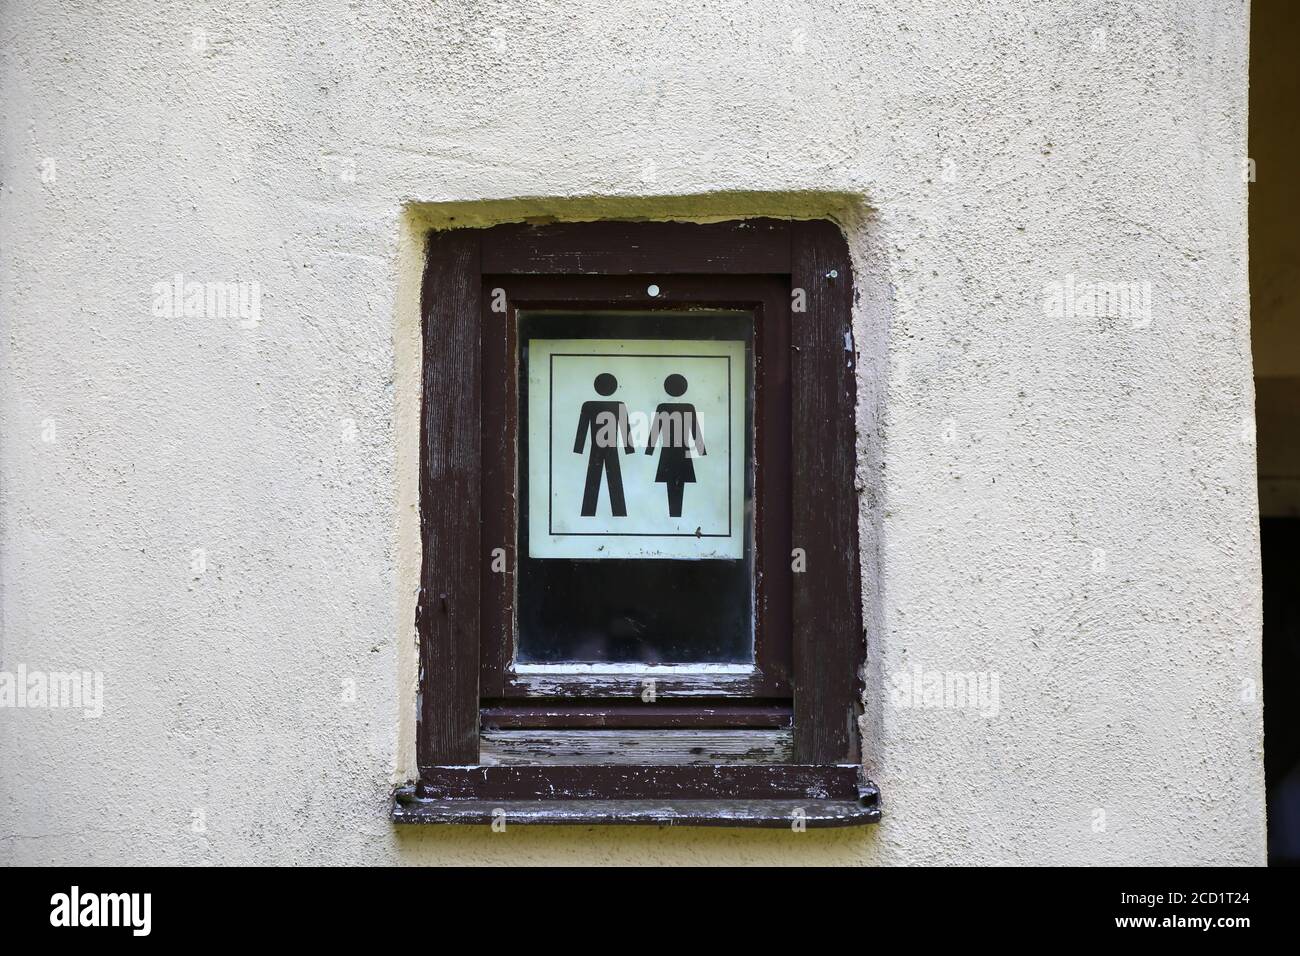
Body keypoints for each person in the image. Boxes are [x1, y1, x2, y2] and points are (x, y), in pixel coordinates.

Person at [573, 372, 635, 516]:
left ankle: (589, 512)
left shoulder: (588, 405)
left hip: (596, 449)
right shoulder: (620, 405)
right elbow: (625, 429)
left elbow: (582, 429)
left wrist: (578, 449)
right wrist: (629, 449)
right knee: (614, 479)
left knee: (593, 479)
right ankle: (619, 513)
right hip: (611, 449)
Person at [644, 373, 706, 518]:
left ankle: (674, 516)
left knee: (671, 482)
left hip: (668, 452)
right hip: (683, 452)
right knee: (678, 482)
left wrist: (649, 450)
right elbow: (695, 431)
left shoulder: (663, 407)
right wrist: (701, 450)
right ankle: (675, 516)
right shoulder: (687, 407)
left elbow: (655, 431)